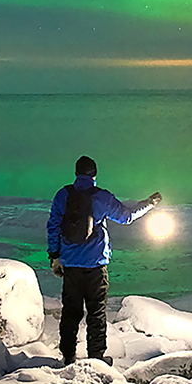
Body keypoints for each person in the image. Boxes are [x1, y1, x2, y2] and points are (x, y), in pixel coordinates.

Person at [46, 155, 161, 365]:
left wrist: (54, 256)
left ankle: (68, 356)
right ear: (94, 175)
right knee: (96, 312)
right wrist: (149, 204)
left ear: (76, 173)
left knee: (70, 312)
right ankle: (96, 358)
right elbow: (126, 216)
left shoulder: (63, 195)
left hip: (70, 264)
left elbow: (53, 226)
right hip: (96, 265)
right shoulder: (101, 197)